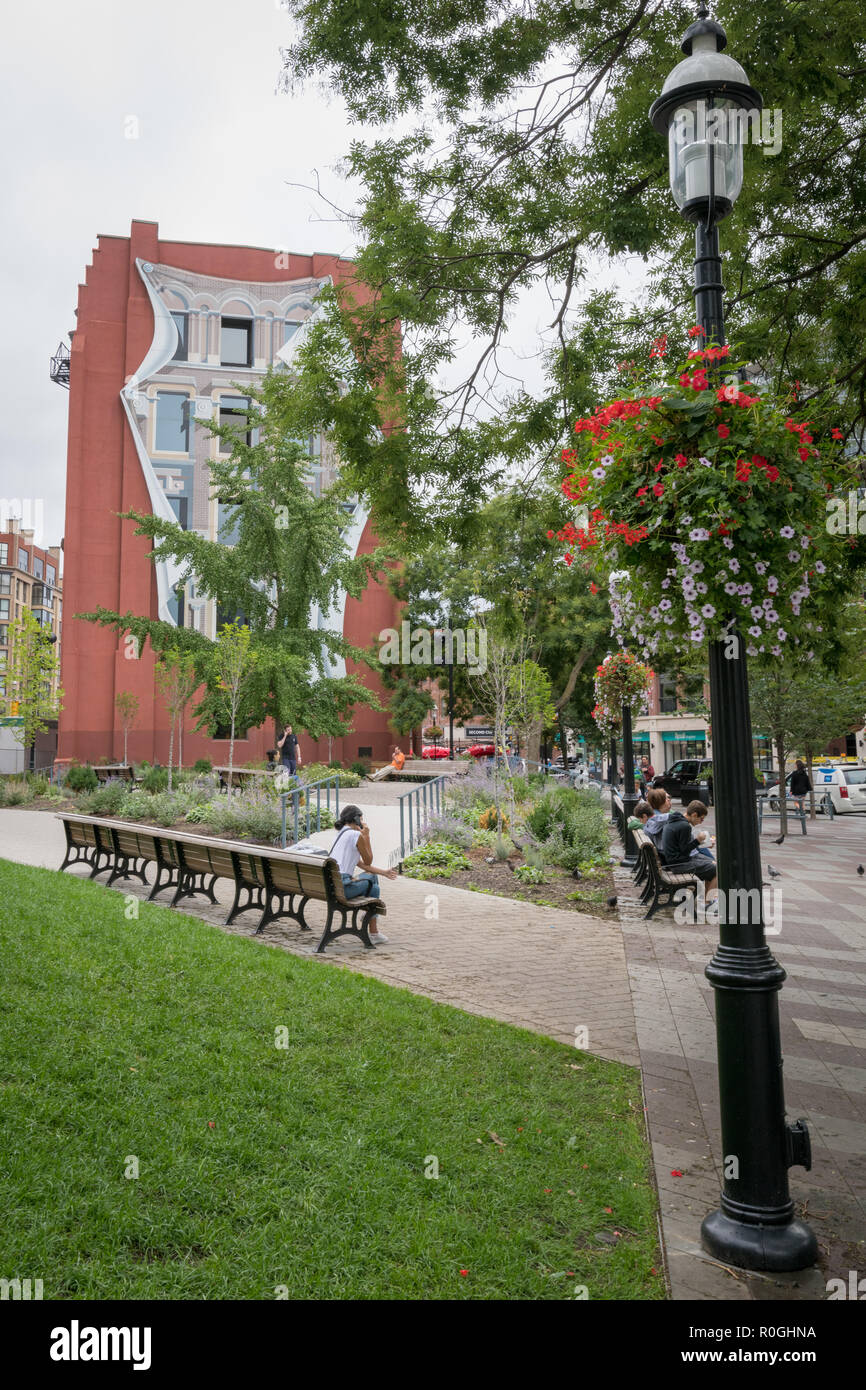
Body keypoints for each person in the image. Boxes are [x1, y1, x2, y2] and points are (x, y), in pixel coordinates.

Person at [329, 804, 397, 944]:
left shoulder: (341, 834)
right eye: (361, 818)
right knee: (374, 885)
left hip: (331, 886)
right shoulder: (355, 835)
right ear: (356, 819)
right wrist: (366, 835)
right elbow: (368, 860)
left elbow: (360, 864)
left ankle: (373, 927)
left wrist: (384, 873)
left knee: (374, 886)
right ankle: (372, 927)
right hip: (343, 889)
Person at [660, 800, 718, 898]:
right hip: (679, 864)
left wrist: (700, 843)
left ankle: (707, 899)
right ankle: (707, 902)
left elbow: (683, 847)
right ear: (694, 815)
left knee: (713, 864)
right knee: (717, 870)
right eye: (701, 819)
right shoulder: (684, 826)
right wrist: (698, 840)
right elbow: (685, 851)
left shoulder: (675, 820)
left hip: (674, 861)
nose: (701, 822)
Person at [645, 787, 672, 852]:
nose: (669, 800)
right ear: (660, 801)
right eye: (667, 798)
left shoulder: (653, 815)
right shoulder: (662, 820)